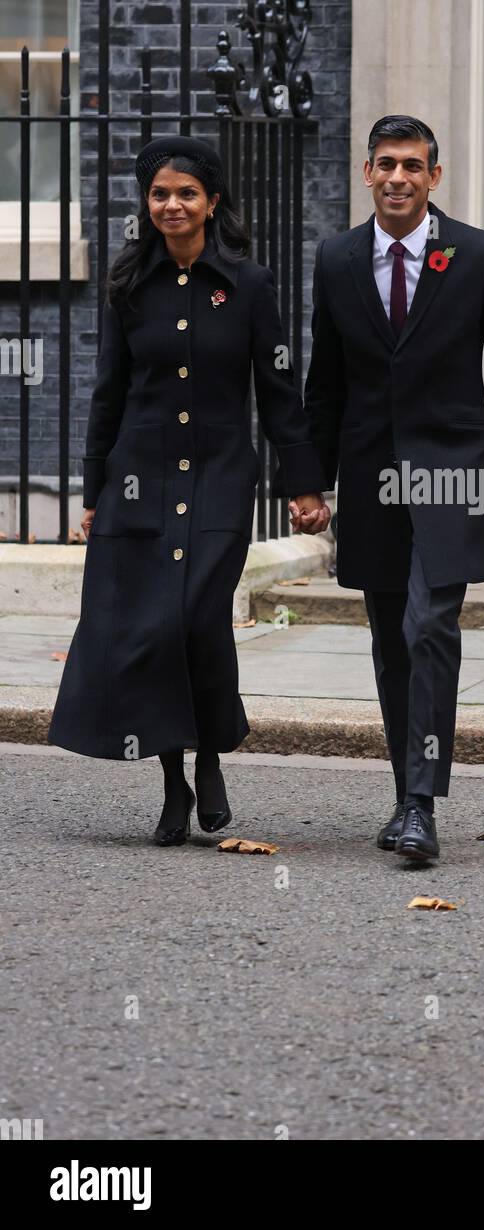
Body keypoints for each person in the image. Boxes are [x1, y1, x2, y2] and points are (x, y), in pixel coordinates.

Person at [48, 135, 330, 844]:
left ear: (210, 202)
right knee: (151, 632)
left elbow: (278, 389)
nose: (172, 205)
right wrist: (91, 492)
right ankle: (173, 783)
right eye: (159, 194)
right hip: (137, 483)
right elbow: (107, 394)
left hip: (219, 478)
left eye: (186, 193)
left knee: (198, 623)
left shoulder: (248, 283)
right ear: (147, 205)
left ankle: (210, 759)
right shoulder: (126, 284)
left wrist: (303, 485)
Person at [304, 115, 484, 862]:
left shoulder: (475, 254)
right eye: (385, 164)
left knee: (429, 626)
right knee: (389, 641)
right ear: (367, 172)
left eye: (413, 166)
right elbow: (325, 382)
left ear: (434, 178)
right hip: (371, 475)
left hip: (454, 472)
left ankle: (421, 807)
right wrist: (308, 480)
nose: (398, 178)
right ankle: (403, 791)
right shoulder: (337, 257)